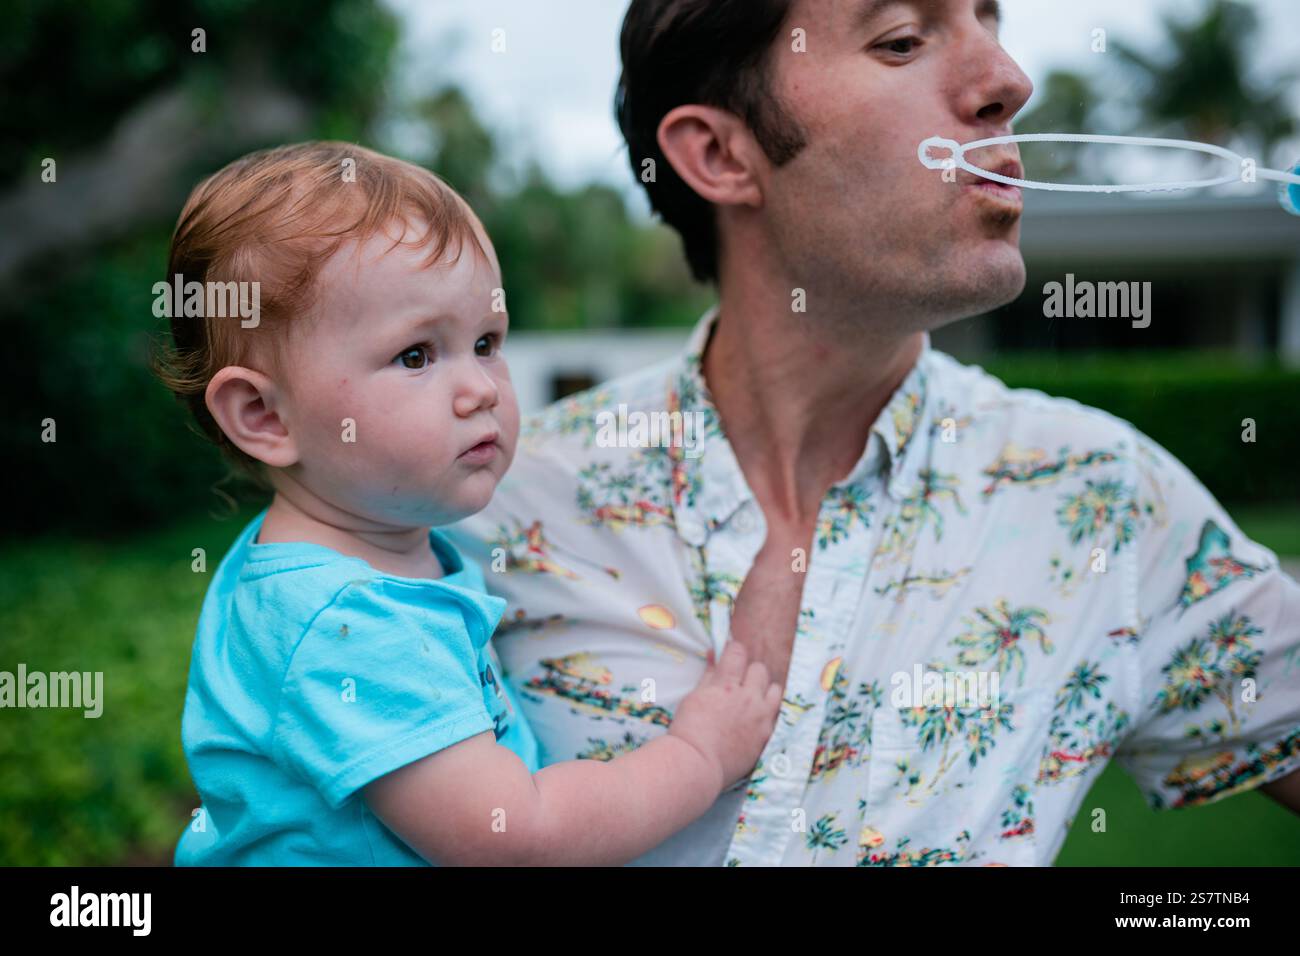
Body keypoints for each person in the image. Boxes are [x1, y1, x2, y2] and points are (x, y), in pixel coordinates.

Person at [446, 0, 1300, 865]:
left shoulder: (1106, 502)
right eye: (902, 40)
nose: (1010, 81)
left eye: (990, 23)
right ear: (720, 154)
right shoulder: (480, 514)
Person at [157, 141, 782, 866]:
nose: (482, 387)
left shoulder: (353, 556)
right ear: (265, 416)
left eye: (487, 342)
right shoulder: (349, 626)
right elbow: (517, 836)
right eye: (417, 355)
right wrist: (699, 756)